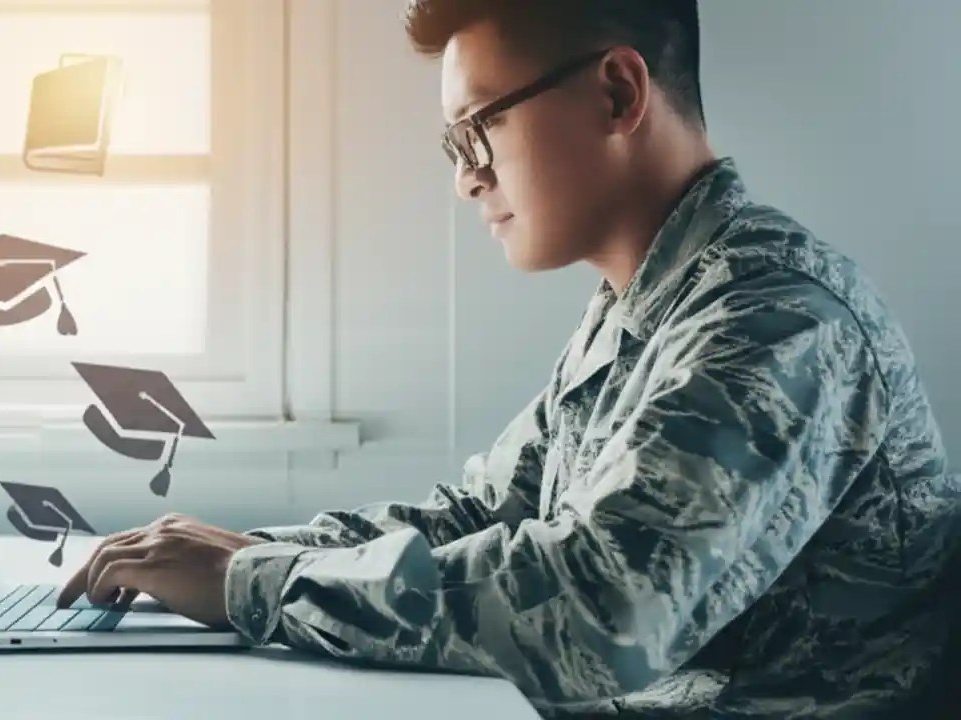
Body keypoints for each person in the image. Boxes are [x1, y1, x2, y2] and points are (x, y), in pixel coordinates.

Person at [57, 1, 961, 716]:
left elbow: (601, 612)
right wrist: (244, 553)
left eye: (476, 130)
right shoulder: (648, 303)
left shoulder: (777, 321)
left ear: (616, 93)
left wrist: (252, 584)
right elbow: (488, 512)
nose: (466, 177)